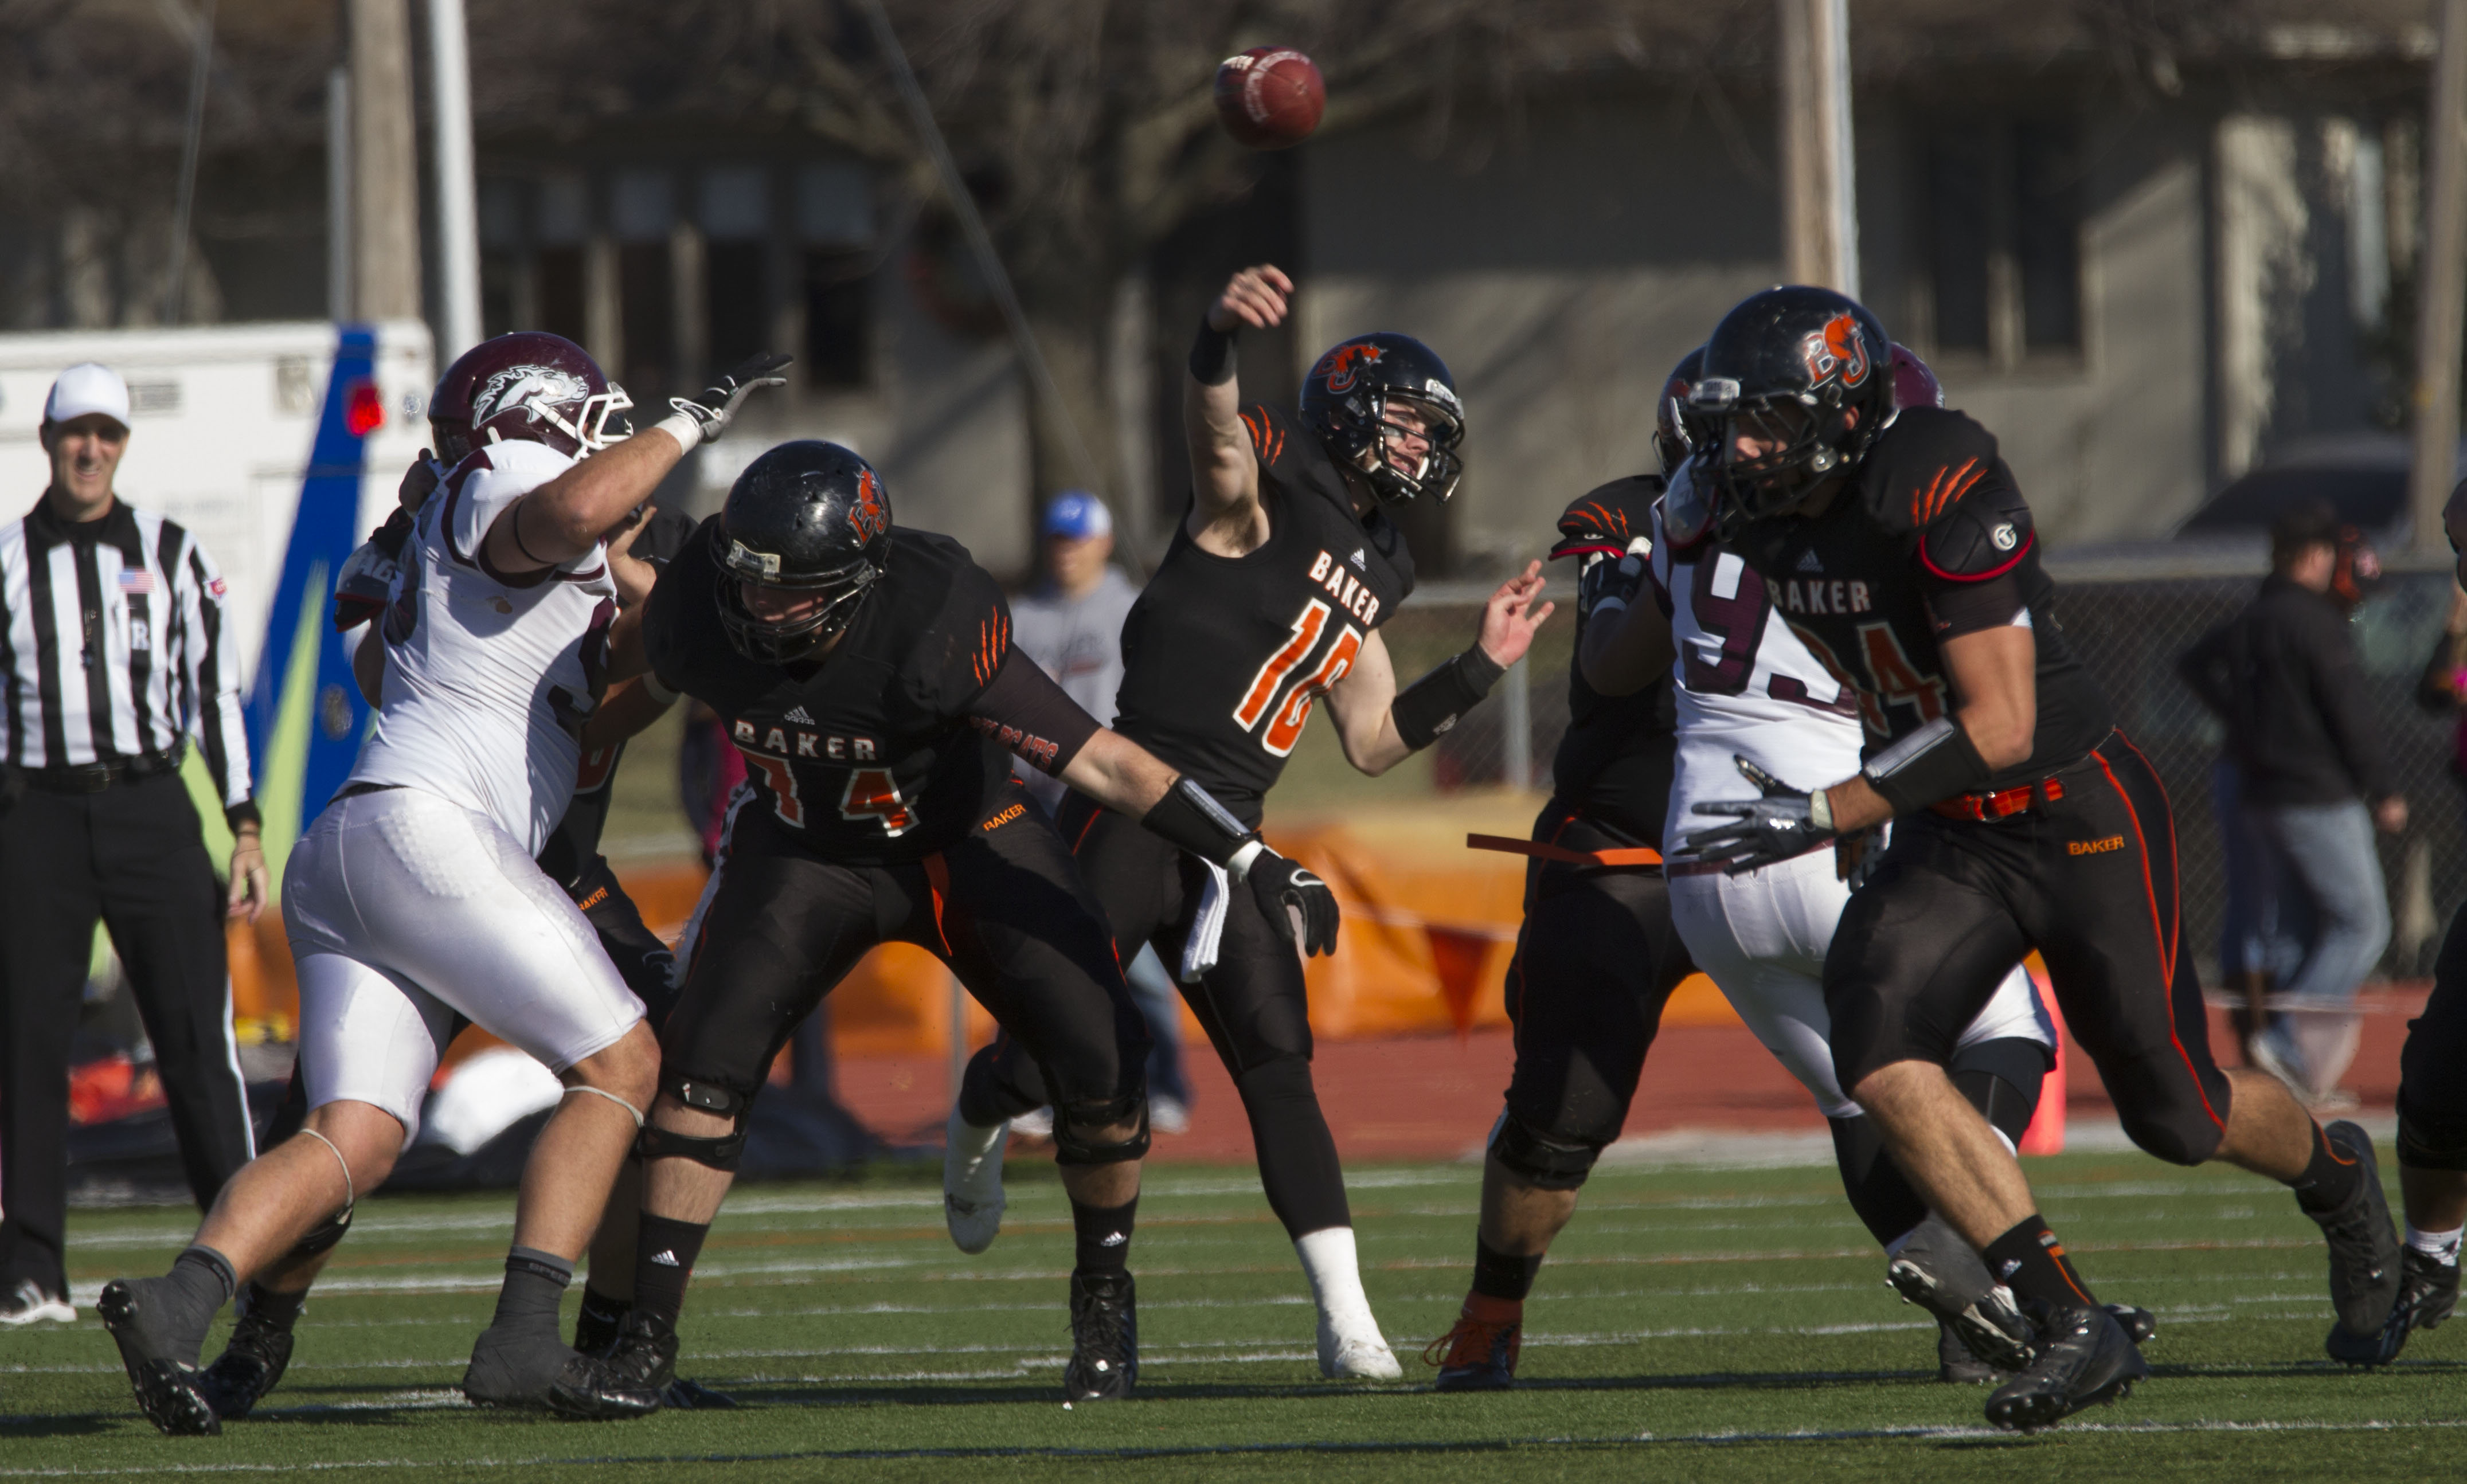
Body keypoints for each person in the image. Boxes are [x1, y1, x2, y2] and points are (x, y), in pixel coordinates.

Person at [1680, 286, 2400, 1428]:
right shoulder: (1750, 516)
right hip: (1952, 828)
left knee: (2175, 1110)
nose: (1743, 450)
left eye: (1767, 421)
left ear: (1843, 409)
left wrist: (1830, 805)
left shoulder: (1937, 478)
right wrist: (1866, 796)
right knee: (1877, 1049)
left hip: (2073, 809)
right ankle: (2071, 1320)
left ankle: (2339, 1176)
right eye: (1732, 426)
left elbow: (2002, 722)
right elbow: (1882, 669)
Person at [95, 333, 785, 1435]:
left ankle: (179, 1296)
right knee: (621, 1064)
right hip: (436, 835)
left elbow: (625, 630)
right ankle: (522, 1335)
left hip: (359, 845)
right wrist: (691, 419)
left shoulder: (485, 534)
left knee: (355, 1134)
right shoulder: (505, 475)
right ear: (540, 413)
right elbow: (570, 512)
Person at [598, 439, 1340, 1405]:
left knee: (1101, 1055)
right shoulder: (699, 602)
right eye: (748, 577)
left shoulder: (933, 617)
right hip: (805, 847)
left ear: (858, 581)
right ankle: (646, 1339)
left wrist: (1252, 857)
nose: (758, 602)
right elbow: (619, 696)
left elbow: (1101, 760)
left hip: (963, 841)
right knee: (702, 1067)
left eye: (788, 587)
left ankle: (1103, 1304)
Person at [950, 264, 1552, 1381]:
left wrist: (1479, 665)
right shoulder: (1264, 492)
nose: (1421, 446)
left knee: (1279, 1062)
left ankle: (1347, 1323)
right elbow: (1213, 431)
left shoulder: (1383, 560)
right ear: (1352, 413)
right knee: (1055, 1056)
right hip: (1134, 804)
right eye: (1406, 421)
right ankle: (983, 1104)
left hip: (1239, 839)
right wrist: (1215, 334)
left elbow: (1371, 736)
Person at [1426, 346, 2067, 1393]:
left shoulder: (1790, 527)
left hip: (1731, 845)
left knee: (1863, 1089)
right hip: (1638, 850)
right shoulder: (1656, 518)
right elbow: (1608, 669)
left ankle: (1974, 1306)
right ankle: (1490, 1314)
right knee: (1562, 1113)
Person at [186, 499, 732, 1423]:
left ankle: (610, 1343)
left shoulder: (593, 614)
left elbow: (642, 676)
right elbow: (379, 645)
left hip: (552, 878)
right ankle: (257, 1337)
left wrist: (660, 609)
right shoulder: (518, 595)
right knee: (334, 1121)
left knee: (664, 1070)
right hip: (443, 868)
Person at [0, 362, 267, 1329]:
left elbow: (214, 695)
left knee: (197, 1037)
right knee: (28, 1041)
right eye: (76, 431)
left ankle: (250, 1251)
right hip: (37, 813)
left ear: (122, 442)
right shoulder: (7, 560)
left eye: (107, 432)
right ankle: (31, 1269)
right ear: (48, 439)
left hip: (153, 806)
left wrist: (244, 825)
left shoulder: (173, 554)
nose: (91, 448)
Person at [2180, 503, 2402, 1109]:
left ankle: (2290, 1073)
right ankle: (2285, 1045)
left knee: (2293, 928)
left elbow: (2193, 663)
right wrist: (2383, 786)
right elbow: (2348, 711)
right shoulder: (2314, 622)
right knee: (2361, 924)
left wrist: (2240, 721)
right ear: (2314, 556)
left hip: (2261, 791)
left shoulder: (2254, 616)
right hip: (2315, 792)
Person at [1009, 490, 1193, 1131]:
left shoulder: (1129, 609)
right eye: (1058, 539)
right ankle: (1046, 1087)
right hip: (1036, 805)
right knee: (1039, 952)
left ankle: (1164, 1084)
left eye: (1079, 539)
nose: (1067, 551)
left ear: (1105, 543)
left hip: (1110, 802)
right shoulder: (1021, 616)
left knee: (1132, 956)